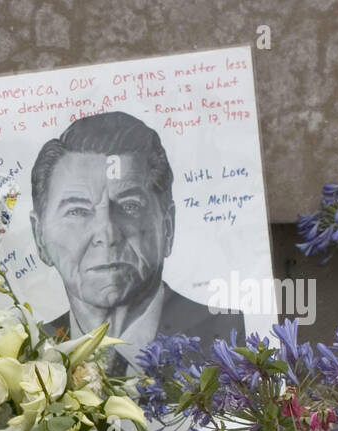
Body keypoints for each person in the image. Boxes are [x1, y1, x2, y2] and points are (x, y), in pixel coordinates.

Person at [29, 111, 243, 365]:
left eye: (130, 206)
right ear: (39, 236)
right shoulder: (26, 357)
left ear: (168, 226)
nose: (107, 234)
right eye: (77, 211)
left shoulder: (225, 337)